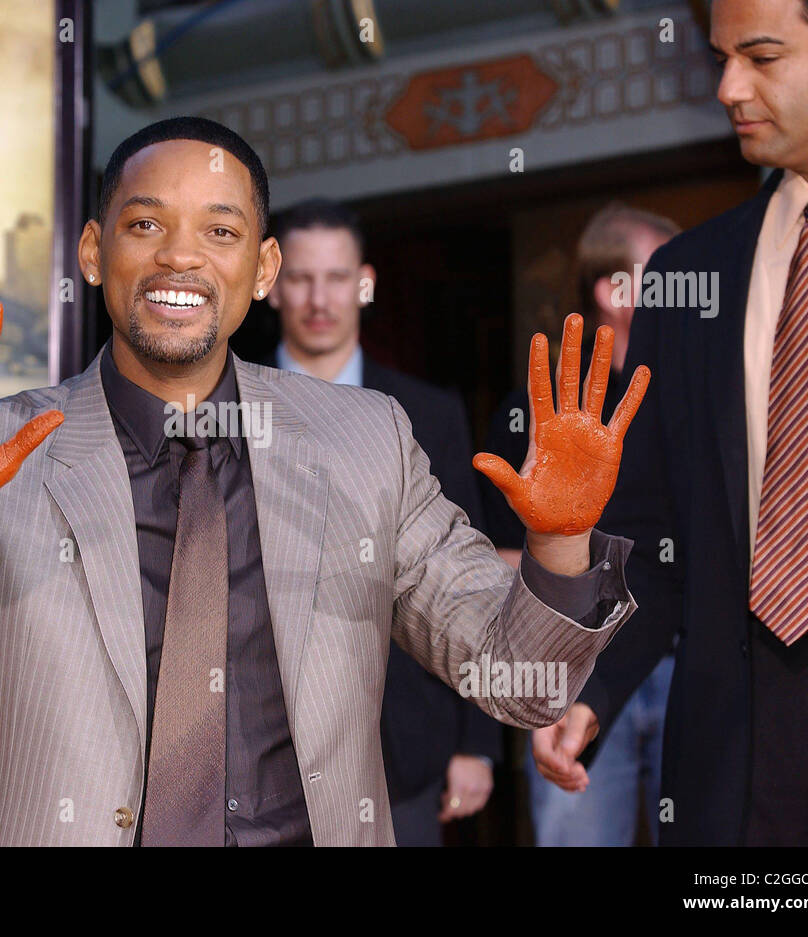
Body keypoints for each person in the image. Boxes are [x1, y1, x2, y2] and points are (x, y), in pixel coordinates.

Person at [0, 116, 647, 846]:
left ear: (263, 270)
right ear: (92, 251)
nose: (181, 259)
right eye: (146, 225)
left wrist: (558, 544)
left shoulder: (366, 439)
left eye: (221, 231)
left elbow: (519, 684)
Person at [533, 0, 808, 846]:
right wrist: (590, 688)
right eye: (720, 57)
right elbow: (652, 540)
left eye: (761, 56)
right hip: (729, 784)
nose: (727, 86)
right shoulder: (688, 277)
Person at [262, 198, 500, 845]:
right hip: (262, 754)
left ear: (364, 284)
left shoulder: (428, 411)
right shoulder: (225, 413)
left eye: (337, 277)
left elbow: (466, 578)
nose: (319, 297)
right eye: (302, 277)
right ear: (271, 282)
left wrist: (477, 743)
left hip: (406, 750)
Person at [480, 203, 681, 845]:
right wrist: (545, 677)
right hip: (578, 672)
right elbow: (502, 561)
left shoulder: (692, 401)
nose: (684, 293)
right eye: (666, 275)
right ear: (611, 290)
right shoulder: (537, 412)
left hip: (691, 663)